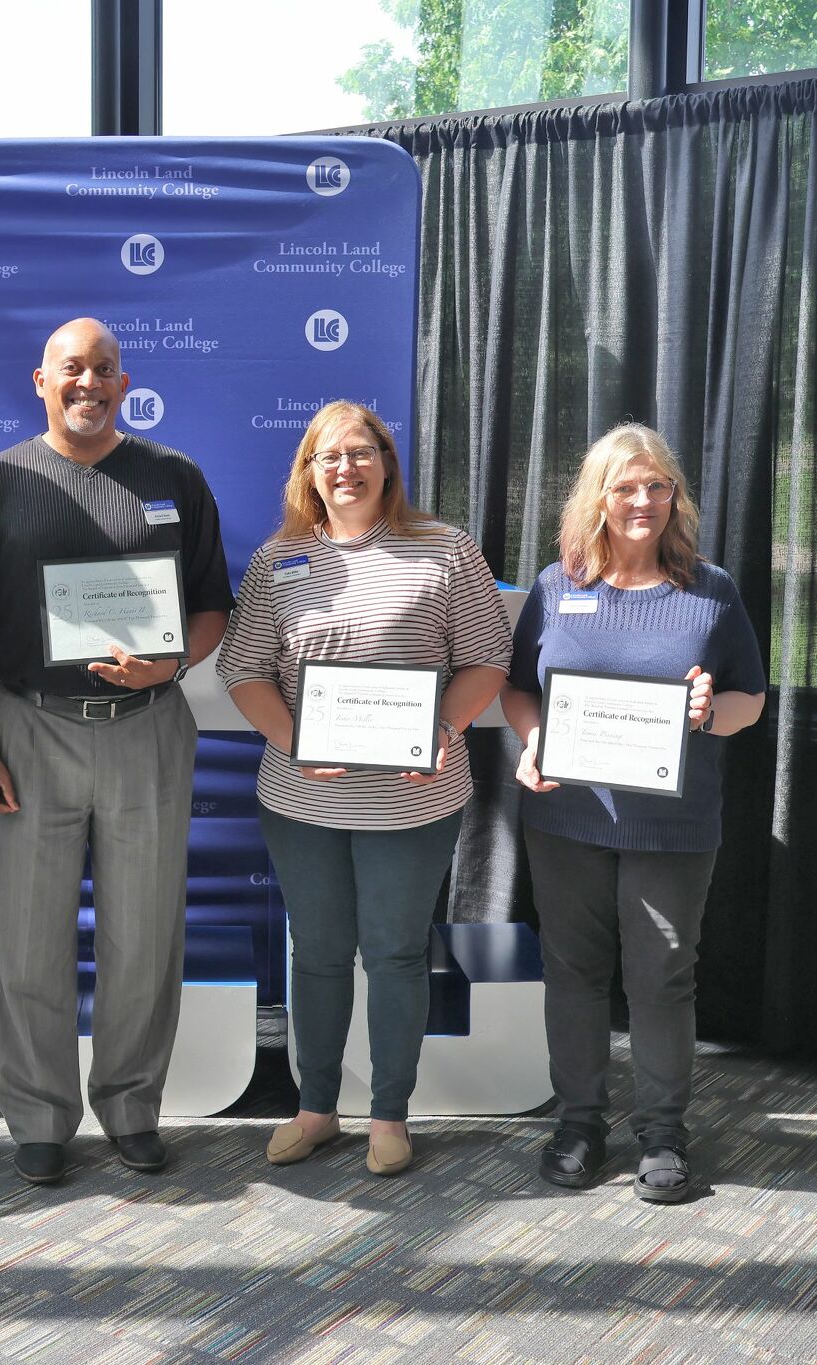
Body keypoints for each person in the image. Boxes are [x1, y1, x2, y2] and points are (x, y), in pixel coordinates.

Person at [0, 318, 232, 1185]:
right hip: (31, 726)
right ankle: (37, 1116)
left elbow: (213, 605)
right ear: (41, 380)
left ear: (124, 379)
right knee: (28, 940)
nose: (89, 382)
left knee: (144, 935)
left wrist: (173, 660)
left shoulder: (173, 476)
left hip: (147, 726)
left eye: (104, 368)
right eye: (73, 368)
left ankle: (132, 1105)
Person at [218, 401, 511, 1176]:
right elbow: (242, 669)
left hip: (412, 801)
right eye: (328, 456)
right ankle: (316, 1107)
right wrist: (294, 742)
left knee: (393, 954)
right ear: (308, 473)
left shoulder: (444, 551)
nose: (345, 467)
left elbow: (487, 658)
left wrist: (443, 730)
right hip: (301, 800)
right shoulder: (279, 560)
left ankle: (389, 1114)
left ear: (387, 461)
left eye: (362, 451)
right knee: (316, 954)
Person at [500, 423, 766, 1204]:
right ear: (599, 498)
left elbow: (750, 700)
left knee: (661, 979)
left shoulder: (709, 589)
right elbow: (519, 688)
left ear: (674, 495)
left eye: (657, 485)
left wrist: (710, 713)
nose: (643, 501)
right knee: (574, 973)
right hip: (566, 820)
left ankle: (662, 1133)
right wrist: (536, 739)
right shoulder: (558, 585)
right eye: (626, 487)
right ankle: (580, 1124)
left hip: (672, 828)